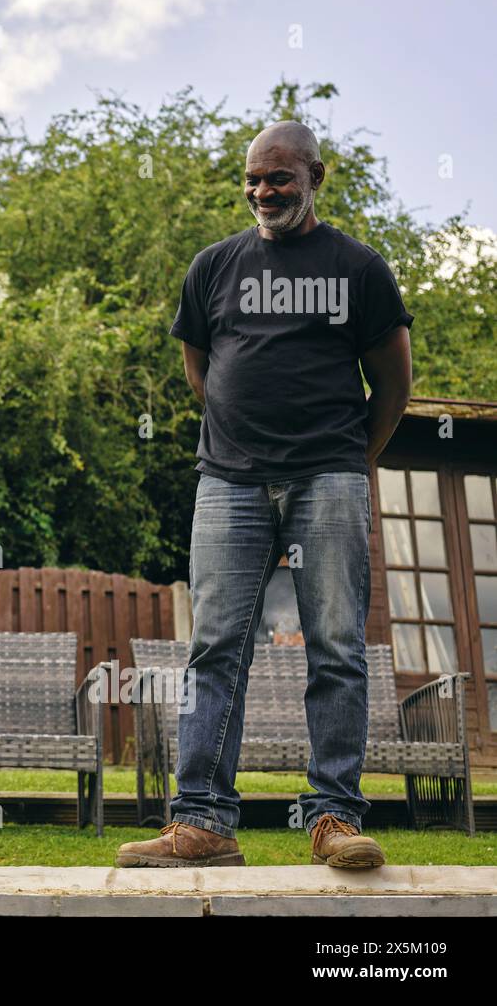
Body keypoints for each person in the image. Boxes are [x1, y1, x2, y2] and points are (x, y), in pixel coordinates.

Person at [116, 121, 413, 869]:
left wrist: (348, 462)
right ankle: (204, 823)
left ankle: (334, 818)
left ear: (317, 176)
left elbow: (395, 382)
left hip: (329, 478)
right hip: (230, 481)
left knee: (338, 647)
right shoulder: (213, 266)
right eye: (252, 178)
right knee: (214, 649)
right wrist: (239, 441)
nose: (262, 191)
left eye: (278, 178)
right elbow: (202, 368)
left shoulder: (359, 268)